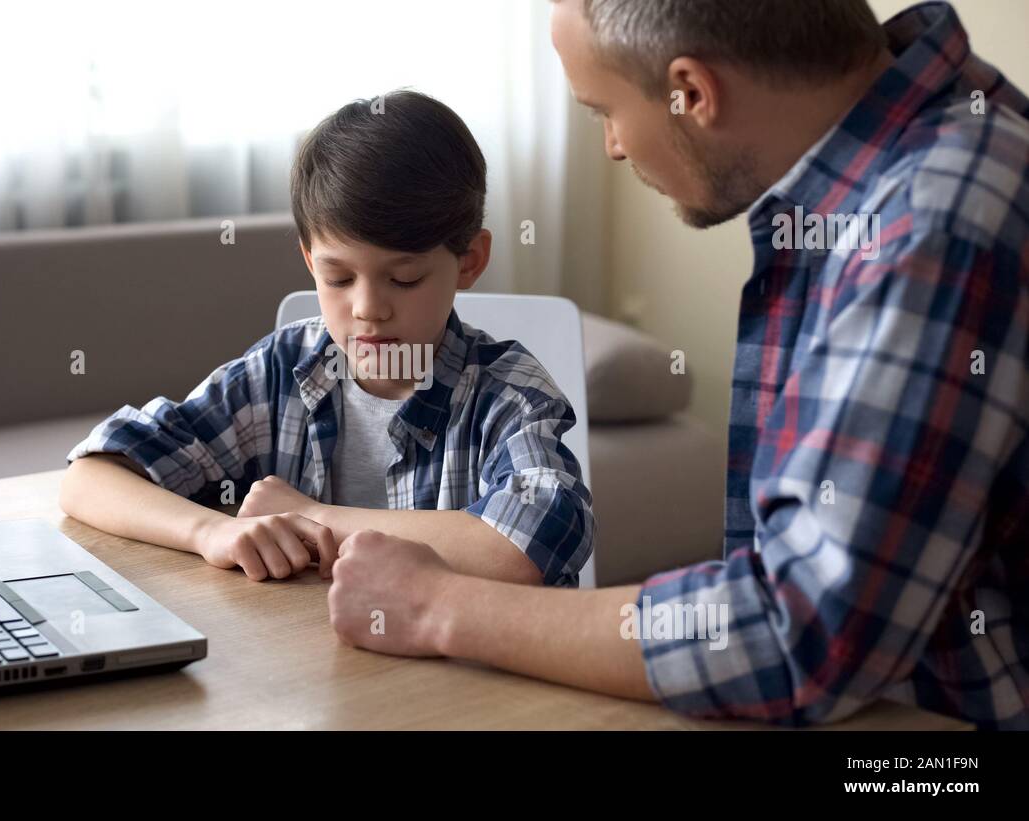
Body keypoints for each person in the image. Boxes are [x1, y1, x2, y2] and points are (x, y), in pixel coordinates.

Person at [327, 1, 1029, 729]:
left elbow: (799, 633)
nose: (613, 148)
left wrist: (438, 604)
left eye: (604, 110)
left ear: (689, 92)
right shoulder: (887, 180)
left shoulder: (934, 221)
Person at [61, 90, 595, 588]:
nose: (367, 309)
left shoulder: (507, 394)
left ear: (469, 262)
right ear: (309, 261)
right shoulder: (281, 371)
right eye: (338, 278)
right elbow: (91, 475)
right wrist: (211, 532)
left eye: (404, 279)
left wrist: (312, 517)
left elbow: (526, 549)